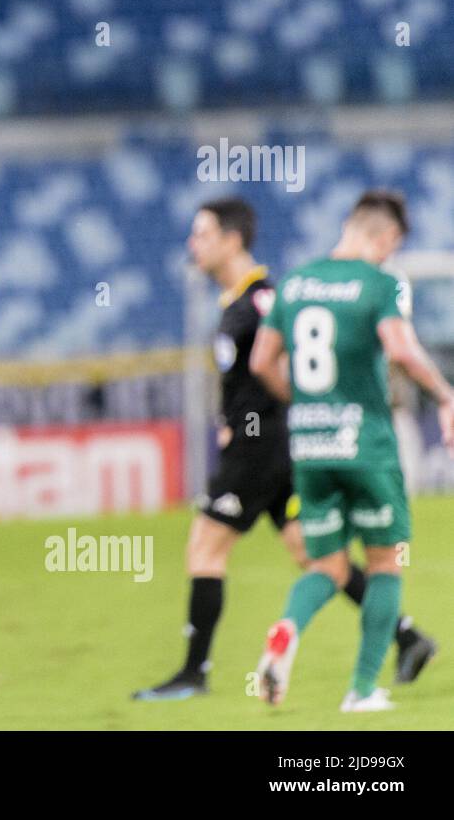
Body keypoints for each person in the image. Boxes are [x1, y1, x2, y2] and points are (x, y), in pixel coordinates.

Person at [133, 199, 435, 701]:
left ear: (233, 240)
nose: (193, 243)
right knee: (314, 557)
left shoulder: (267, 298)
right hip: (279, 447)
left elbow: (295, 362)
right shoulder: (240, 301)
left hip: (261, 450)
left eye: (202, 233)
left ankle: (193, 673)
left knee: (204, 549)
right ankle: (406, 637)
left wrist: (280, 415)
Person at [251, 190, 454, 711]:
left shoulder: (294, 282)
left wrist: (306, 401)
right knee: (385, 563)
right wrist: (446, 396)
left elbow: (260, 362)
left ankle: (285, 630)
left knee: (328, 567)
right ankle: (361, 690)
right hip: (366, 444)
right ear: (385, 237)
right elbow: (403, 349)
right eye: (392, 246)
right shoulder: (381, 283)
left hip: (311, 446)